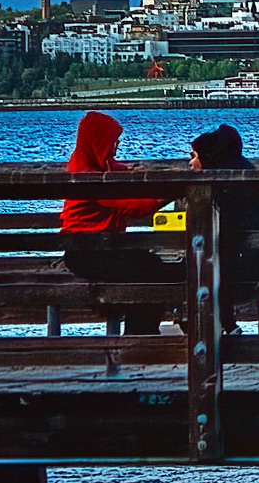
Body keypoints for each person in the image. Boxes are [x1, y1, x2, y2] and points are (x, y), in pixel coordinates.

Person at [60, 110, 179, 335]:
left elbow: (120, 170)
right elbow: (134, 207)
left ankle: (141, 333)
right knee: (150, 272)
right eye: (112, 141)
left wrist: (138, 173)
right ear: (99, 142)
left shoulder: (96, 164)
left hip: (103, 248)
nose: (116, 146)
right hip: (86, 252)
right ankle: (140, 334)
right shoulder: (86, 176)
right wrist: (168, 194)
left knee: (150, 267)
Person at [188, 124, 259, 333]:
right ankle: (221, 325)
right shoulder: (240, 171)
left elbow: (227, 230)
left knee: (207, 266)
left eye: (194, 156)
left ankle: (220, 326)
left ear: (208, 157)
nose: (190, 163)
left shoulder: (228, 181)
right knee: (211, 262)